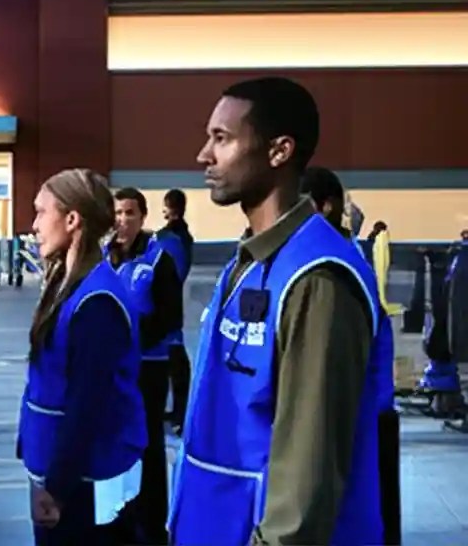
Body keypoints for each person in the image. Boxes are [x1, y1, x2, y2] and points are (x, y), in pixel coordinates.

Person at [172, 77, 389, 545]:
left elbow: (306, 474)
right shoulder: (248, 262)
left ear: (279, 151)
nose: (204, 155)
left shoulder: (317, 278)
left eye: (221, 139)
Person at [19, 168, 145, 545]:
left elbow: (86, 405)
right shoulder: (67, 284)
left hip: (83, 481)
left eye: (42, 212)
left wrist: (56, 487)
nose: (35, 224)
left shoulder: (97, 302)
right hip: (62, 470)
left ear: (72, 220)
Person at [300, 165, 401, 545]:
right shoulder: (339, 254)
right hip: (366, 411)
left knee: (363, 513)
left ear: (323, 207)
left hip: (367, 413)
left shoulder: (335, 269)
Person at [104, 187, 182, 544]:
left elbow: (170, 317)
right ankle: (116, 518)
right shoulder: (103, 258)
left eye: (130, 213)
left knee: (146, 448)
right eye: (118, 213)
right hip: (109, 371)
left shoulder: (159, 260)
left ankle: (152, 528)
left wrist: (131, 341)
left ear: (143, 217)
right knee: (111, 444)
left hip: (147, 370)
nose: (122, 220)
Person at [157, 188, 193, 433]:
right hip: (173, 304)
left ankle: (179, 413)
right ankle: (177, 411)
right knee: (175, 361)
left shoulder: (167, 238)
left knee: (172, 362)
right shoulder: (185, 235)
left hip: (163, 306)